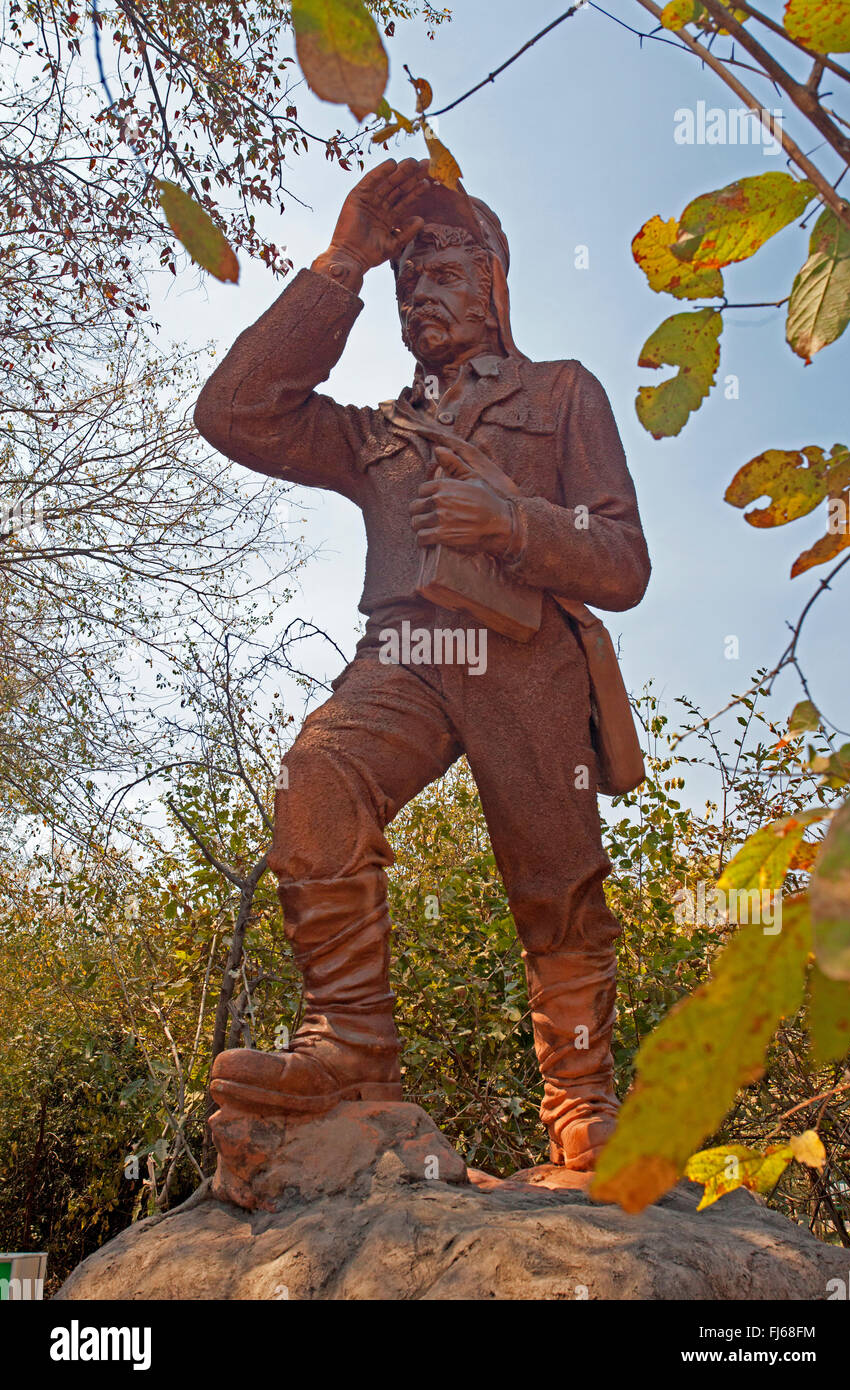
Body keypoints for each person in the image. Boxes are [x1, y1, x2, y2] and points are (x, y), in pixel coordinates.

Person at [194, 157, 651, 1171]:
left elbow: (622, 560)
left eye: (441, 272)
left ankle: (580, 1095)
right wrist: (344, 259)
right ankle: (351, 1046)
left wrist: (517, 523)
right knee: (319, 775)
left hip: (526, 658)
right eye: (405, 283)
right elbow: (235, 411)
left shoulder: (563, 392)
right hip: (405, 652)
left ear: (495, 282)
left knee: (556, 881)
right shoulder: (375, 437)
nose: (419, 295)